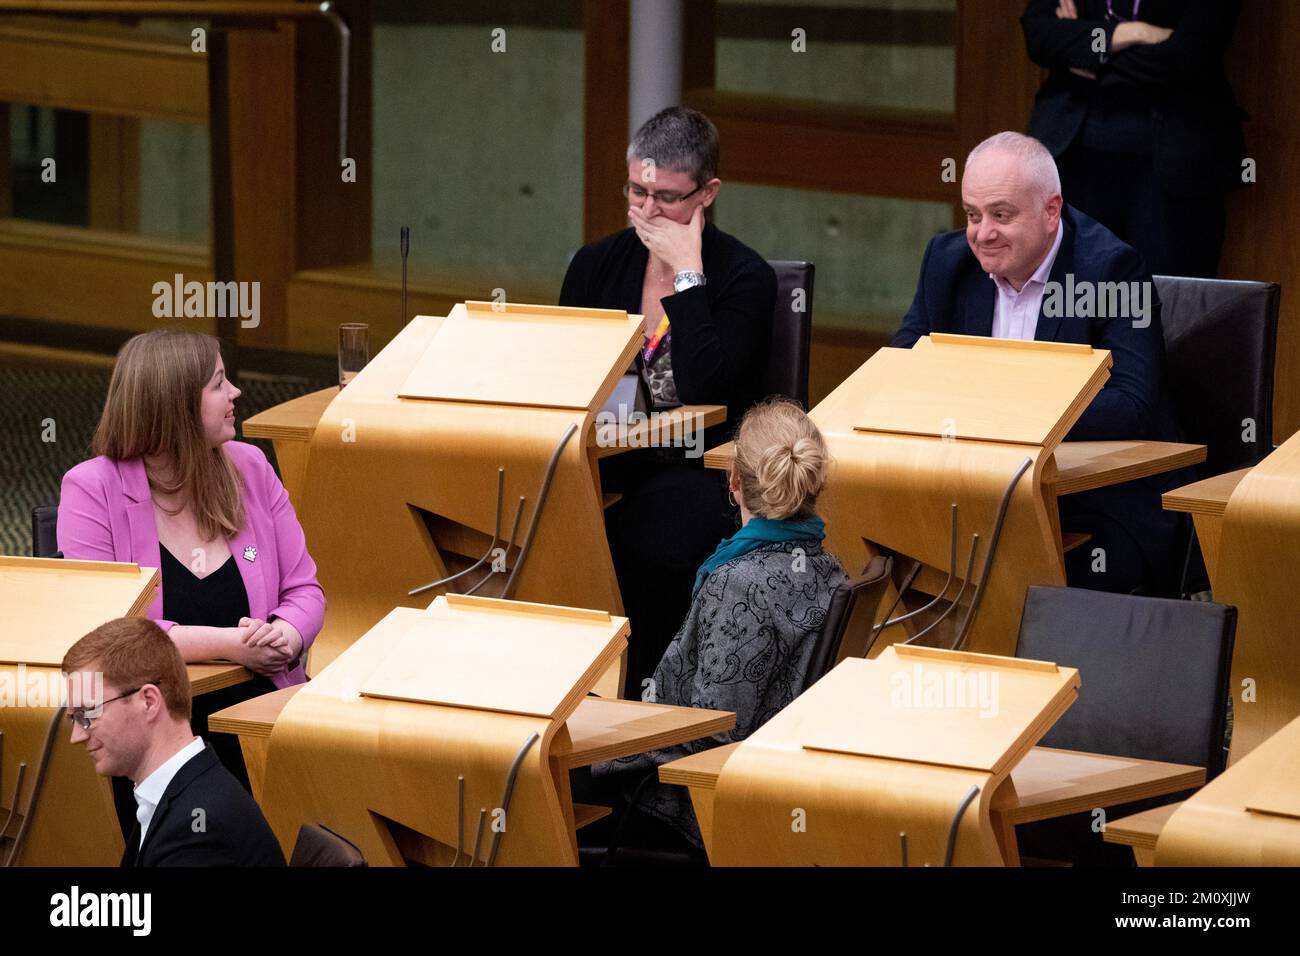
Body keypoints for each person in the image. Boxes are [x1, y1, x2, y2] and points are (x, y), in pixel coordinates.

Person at [892, 131, 1188, 594]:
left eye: (1001, 215)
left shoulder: (1111, 270)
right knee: (890, 549)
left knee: (1022, 581)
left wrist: (998, 413)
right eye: (972, 215)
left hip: (1092, 500)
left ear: (1051, 212)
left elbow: (1131, 405)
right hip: (972, 497)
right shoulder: (947, 263)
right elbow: (900, 373)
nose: (981, 233)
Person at [57, 328, 325, 809]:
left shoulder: (249, 467)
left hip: (263, 709)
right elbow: (111, 635)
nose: (235, 393)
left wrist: (286, 635)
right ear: (176, 405)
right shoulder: (91, 489)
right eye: (219, 383)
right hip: (153, 732)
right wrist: (232, 645)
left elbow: (305, 589)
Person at [559, 106, 777, 698]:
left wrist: (687, 276)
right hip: (603, 459)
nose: (649, 211)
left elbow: (709, 390)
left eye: (668, 198)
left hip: (700, 470)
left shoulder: (744, 278)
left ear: (708, 194)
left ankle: (638, 708)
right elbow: (565, 376)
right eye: (637, 191)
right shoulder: (596, 264)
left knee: (641, 546)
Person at [583, 399, 847, 856]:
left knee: (539, 763)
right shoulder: (831, 569)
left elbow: (713, 729)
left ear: (734, 482)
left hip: (683, 797)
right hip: (766, 783)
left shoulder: (736, 584)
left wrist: (611, 734)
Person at [1021, 0, 1248, 278]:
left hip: (1177, 167)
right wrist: (1135, 33)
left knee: (1165, 303)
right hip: (1071, 156)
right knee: (1072, 302)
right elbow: (1040, 35)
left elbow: (1188, 55)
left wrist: (1086, 48)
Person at [63, 617, 286, 866]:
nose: (76, 736)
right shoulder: (181, 797)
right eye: (74, 718)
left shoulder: (198, 835)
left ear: (148, 701)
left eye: (87, 714)